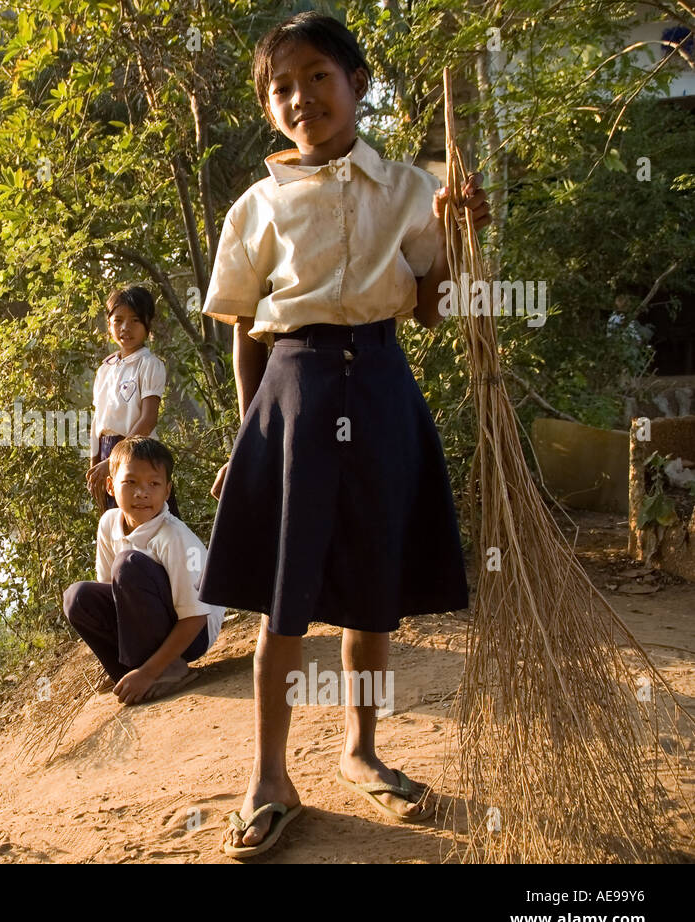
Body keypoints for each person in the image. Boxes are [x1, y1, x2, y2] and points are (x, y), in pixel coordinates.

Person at [197, 12, 490, 857]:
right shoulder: (256, 206)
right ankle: (269, 776)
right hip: (292, 393)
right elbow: (244, 324)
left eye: (317, 76)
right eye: (280, 87)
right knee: (286, 598)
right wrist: (249, 434)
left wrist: (462, 236)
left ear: (357, 83)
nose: (301, 97)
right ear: (267, 107)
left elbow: (433, 309)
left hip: (385, 387)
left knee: (373, 588)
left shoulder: (410, 188)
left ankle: (362, 751)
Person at [64, 437, 225, 704]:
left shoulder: (173, 536)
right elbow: (112, 596)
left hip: (195, 631)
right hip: (157, 622)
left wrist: (149, 672)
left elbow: (196, 617)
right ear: (110, 486)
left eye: (154, 484)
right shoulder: (108, 523)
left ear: (167, 490)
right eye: (130, 483)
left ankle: (168, 669)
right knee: (76, 596)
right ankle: (127, 673)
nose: (142, 493)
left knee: (128, 565)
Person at [86, 285, 180, 517]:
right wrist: (95, 464)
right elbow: (98, 422)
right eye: (118, 320)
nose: (125, 328)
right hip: (107, 453)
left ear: (148, 324)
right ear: (109, 324)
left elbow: (148, 419)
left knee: (148, 521)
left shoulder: (149, 364)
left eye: (135, 320)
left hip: (138, 452)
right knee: (116, 524)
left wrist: (117, 460)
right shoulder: (105, 369)